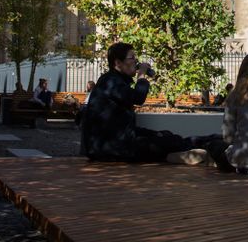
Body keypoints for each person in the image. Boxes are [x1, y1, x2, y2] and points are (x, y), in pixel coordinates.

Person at [81, 42, 228, 167]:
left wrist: (156, 134)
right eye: (132, 58)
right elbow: (138, 97)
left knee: (166, 136)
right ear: (118, 63)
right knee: (166, 142)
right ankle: (213, 145)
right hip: (109, 149)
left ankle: (201, 146)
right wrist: (141, 75)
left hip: (119, 141)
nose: (136, 62)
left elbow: (122, 124)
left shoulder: (115, 81)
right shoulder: (110, 81)